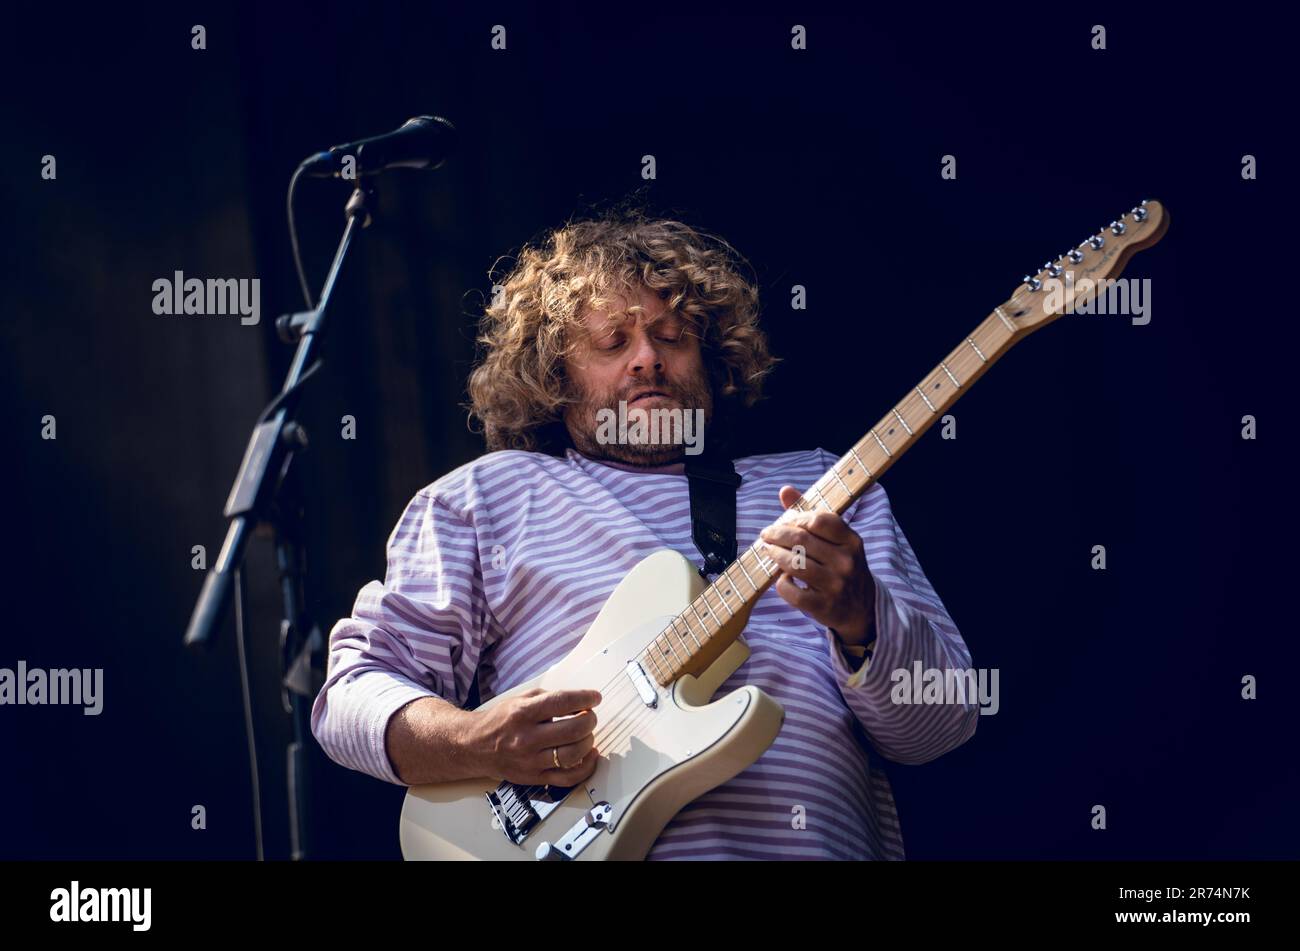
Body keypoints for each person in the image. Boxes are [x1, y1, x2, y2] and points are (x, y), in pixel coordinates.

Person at [310, 208, 978, 859]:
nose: (647, 359)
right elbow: (351, 694)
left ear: (713, 360)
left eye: (672, 336)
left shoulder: (820, 487)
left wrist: (864, 620)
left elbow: (941, 725)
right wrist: (472, 739)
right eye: (612, 341)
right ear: (554, 375)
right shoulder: (485, 499)